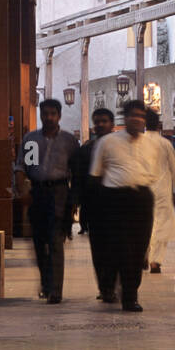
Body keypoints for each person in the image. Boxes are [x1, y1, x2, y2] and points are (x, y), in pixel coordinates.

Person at [89, 99, 158, 311]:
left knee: (138, 249)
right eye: (133, 115)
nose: (137, 119)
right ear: (125, 119)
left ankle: (131, 296)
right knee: (119, 248)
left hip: (142, 199)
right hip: (114, 199)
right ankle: (114, 288)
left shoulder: (151, 144)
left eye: (141, 116)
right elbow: (96, 174)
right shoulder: (108, 142)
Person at [14, 98, 80, 304]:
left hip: (60, 193)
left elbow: (76, 172)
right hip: (37, 193)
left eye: (53, 114)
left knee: (56, 240)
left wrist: (75, 200)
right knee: (39, 241)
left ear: (59, 116)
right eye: (45, 114)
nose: (49, 118)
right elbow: (22, 167)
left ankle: (55, 291)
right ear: (40, 116)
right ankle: (46, 282)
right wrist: (22, 190)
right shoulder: (31, 140)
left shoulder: (69, 141)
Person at [71, 107, 116, 296]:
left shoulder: (120, 146)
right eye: (97, 121)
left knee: (116, 248)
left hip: (117, 205)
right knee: (98, 248)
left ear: (112, 124)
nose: (100, 124)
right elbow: (78, 178)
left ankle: (114, 283)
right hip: (94, 205)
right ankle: (105, 287)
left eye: (104, 121)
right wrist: (75, 202)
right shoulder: (86, 149)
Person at [143, 109, 175, 274]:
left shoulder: (139, 142)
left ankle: (145, 254)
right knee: (162, 225)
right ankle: (156, 261)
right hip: (163, 191)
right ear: (159, 124)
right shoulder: (165, 143)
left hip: (144, 190)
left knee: (145, 224)